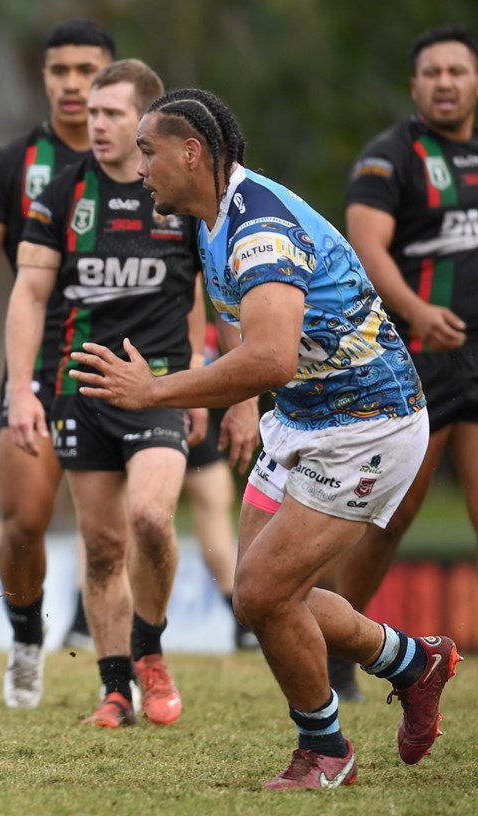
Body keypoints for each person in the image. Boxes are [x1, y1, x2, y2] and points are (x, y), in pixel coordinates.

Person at [69, 87, 460, 788]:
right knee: (267, 595)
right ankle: (413, 662)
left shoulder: (260, 230)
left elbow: (273, 357)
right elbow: (241, 324)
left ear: (193, 153)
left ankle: (327, 750)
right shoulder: (211, 216)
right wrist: (244, 404)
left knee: (263, 592)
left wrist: (155, 391)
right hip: (303, 418)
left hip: (368, 425)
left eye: (149, 152)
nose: (139, 167)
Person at [6, 60, 257, 728]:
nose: (98, 124)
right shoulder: (61, 194)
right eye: (93, 112)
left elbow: (223, 299)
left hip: (161, 387)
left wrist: (235, 395)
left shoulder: (181, 194)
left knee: (150, 517)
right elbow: (28, 295)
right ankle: (115, 689)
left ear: (146, 119)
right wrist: (23, 389)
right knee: (102, 547)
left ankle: (150, 648)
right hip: (80, 390)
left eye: (113, 113)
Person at [0, 19, 116, 708]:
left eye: (87, 70)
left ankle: (133, 664)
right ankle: (26, 639)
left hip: (132, 363)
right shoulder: (11, 164)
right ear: (43, 78)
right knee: (24, 521)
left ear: (111, 76)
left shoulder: (149, 159)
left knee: (127, 529)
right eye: (59, 70)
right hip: (42, 367)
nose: (73, 84)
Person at [325, 24, 478, 702]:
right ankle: (338, 645)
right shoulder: (390, 157)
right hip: (417, 360)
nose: (445, 82)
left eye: (457, 70)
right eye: (433, 72)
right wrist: (417, 312)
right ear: (415, 85)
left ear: (474, 82)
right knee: (394, 513)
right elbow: (365, 246)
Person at [183, 323, 259, 651]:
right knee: (124, 503)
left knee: (214, 490)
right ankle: (84, 619)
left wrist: (244, 400)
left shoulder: (215, 324)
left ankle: (238, 616)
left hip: (178, 390)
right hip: (148, 382)